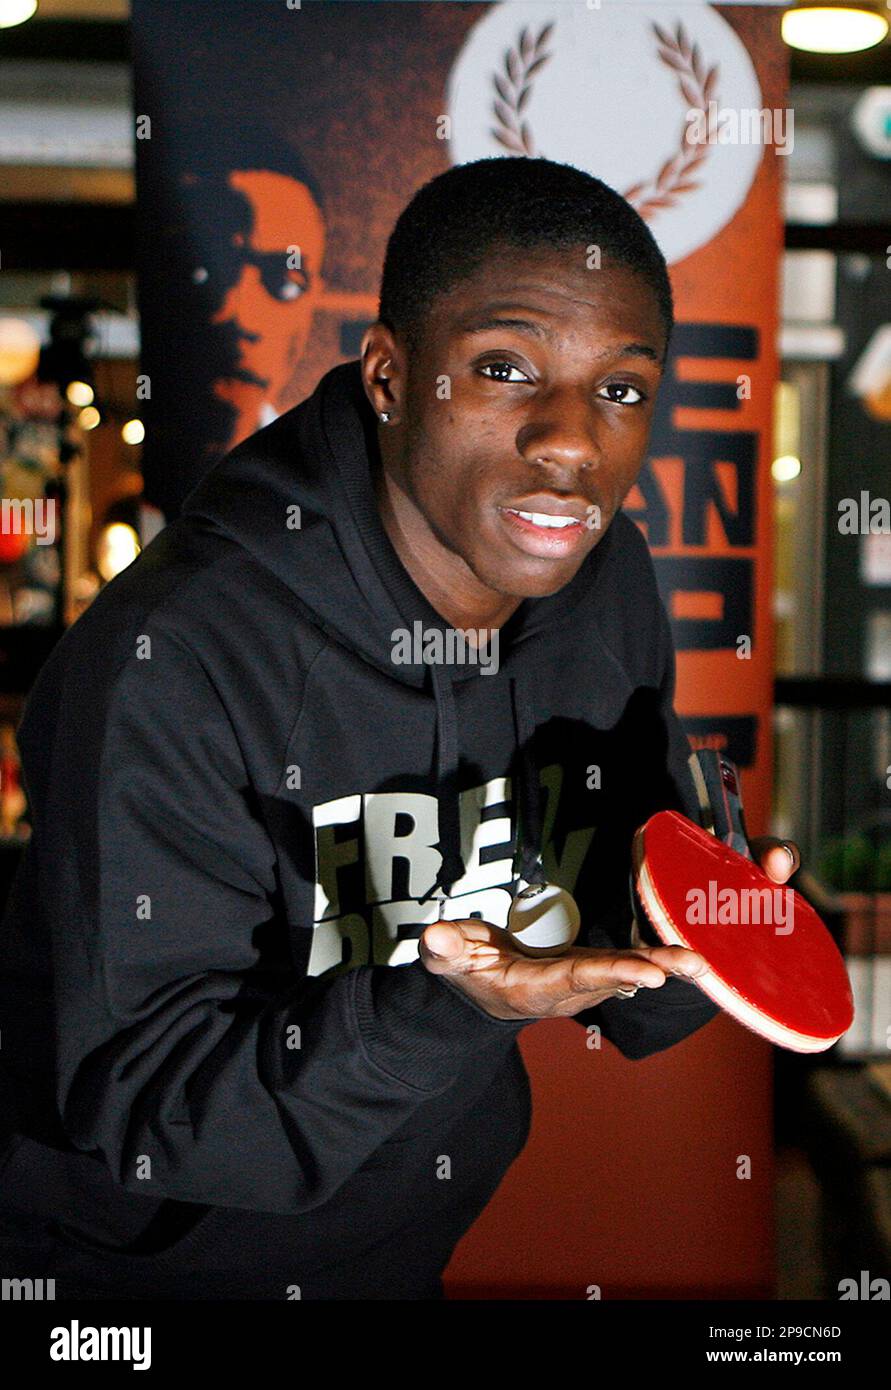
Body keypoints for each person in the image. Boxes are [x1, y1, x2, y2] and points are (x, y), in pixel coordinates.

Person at [0, 156, 798, 1302]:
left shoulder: (600, 581)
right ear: (389, 375)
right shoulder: (175, 658)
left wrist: (707, 939)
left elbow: (622, 930)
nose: (572, 442)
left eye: (621, 388)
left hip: (403, 1256)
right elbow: (148, 1113)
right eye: (505, 369)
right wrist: (441, 1007)